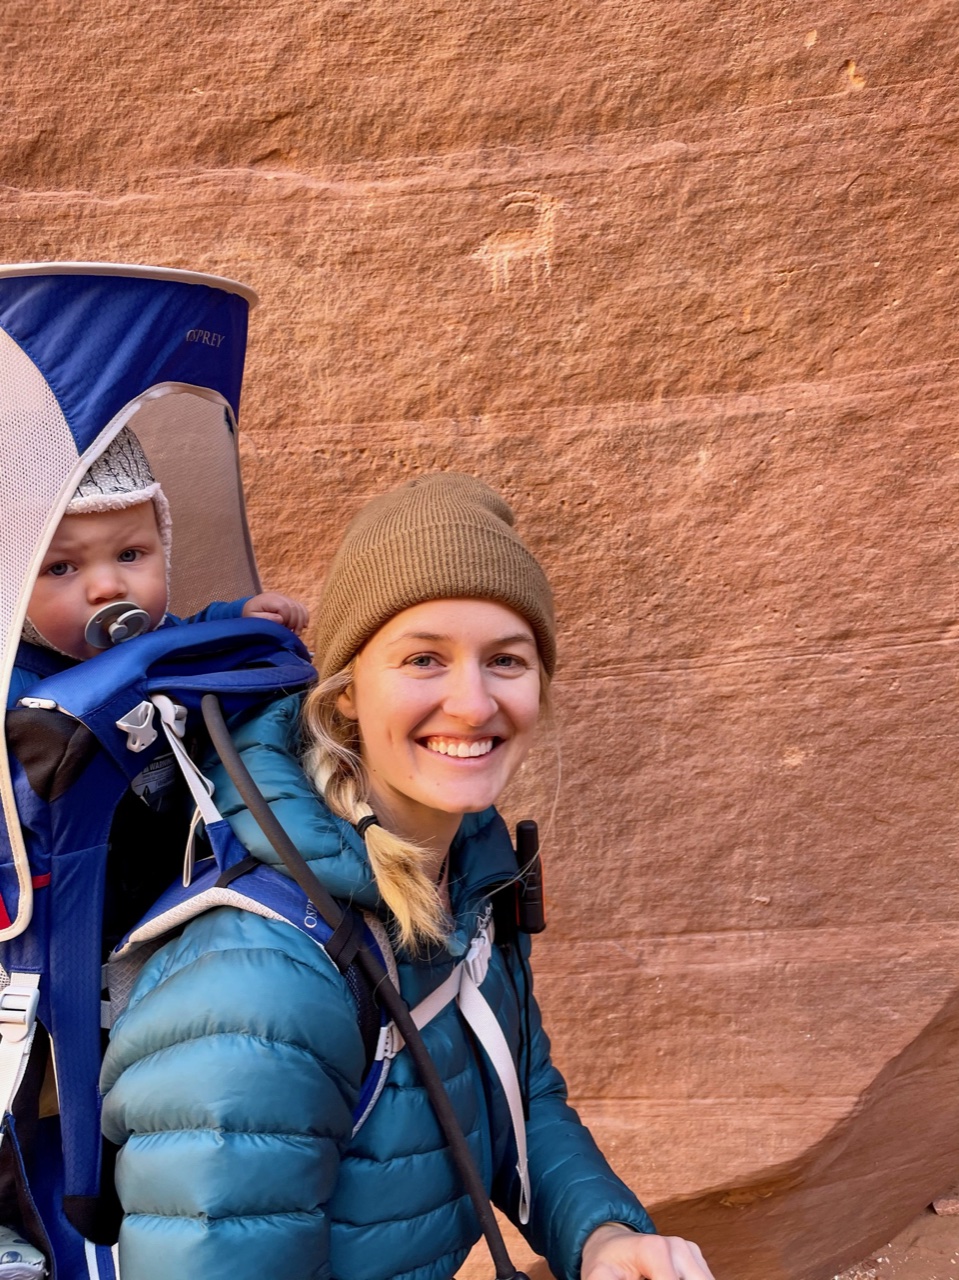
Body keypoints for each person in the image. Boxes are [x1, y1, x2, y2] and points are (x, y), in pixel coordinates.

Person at [99, 474, 713, 1280]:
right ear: (348, 694)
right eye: (423, 658)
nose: (471, 701)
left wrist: (603, 1238)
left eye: (506, 660)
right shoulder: (262, 987)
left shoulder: (463, 870)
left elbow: (511, 1088)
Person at [9, 426, 308, 709]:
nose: (109, 587)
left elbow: (190, 636)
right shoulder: (12, 681)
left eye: (128, 555)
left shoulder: (152, 633)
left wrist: (240, 616)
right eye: (61, 568)